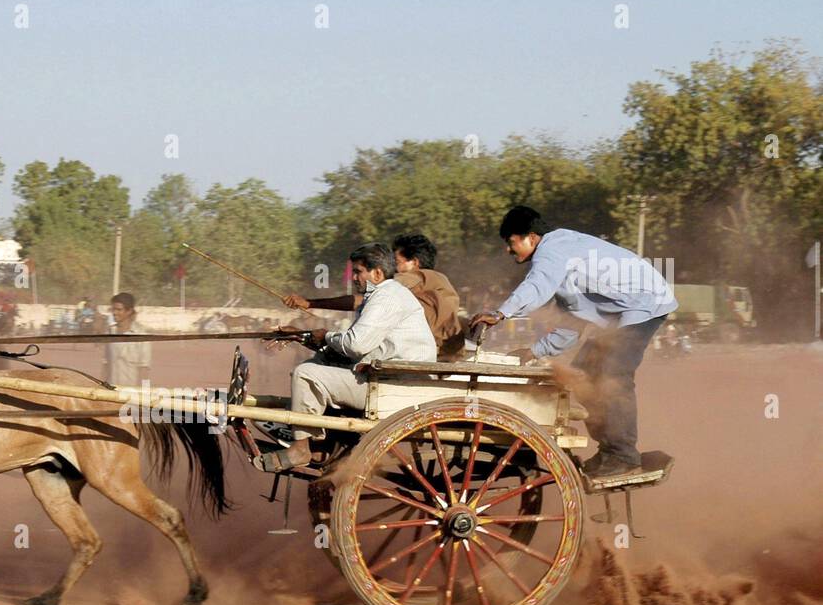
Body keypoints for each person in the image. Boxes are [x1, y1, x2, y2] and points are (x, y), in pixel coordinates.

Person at [469, 205, 677, 479]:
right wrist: (534, 351)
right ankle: (610, 451)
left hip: (646, 302)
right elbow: (572, 323)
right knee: (582, 374)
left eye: (511, 242)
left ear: (531, 237)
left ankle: (623, 455)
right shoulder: (562, 260)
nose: (509, 250)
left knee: (613, 373)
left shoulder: (552, 251)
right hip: (624, 311)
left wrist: (500, 313)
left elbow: (537, 286)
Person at [261, 243, 436, 471]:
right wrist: (306, 337)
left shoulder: (387, 297)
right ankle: (319, 438)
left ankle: (301, 448)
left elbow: (355, 343)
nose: (353, 277)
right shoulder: (383, 296)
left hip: (394, 387)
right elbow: (357, 345)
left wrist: (325, 336)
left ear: (377, 273)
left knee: (306, 374)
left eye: (358, 272)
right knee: (321, 363)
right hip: (388, 378)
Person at [282, 233, 464, 358]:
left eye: (396, 262)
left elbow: (365, 298)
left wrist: (309, 303)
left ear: (414, 263)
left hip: (418, 358)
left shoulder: (416, 278)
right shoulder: (436, 282)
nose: (391, 267)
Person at [103, 292, 152, 386]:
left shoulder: (141, 335)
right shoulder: (110, 332)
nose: (114, 313)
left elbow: (144, 370)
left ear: (129, 311)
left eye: (118, 309)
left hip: (132, 393)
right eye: (113, 309)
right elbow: (105, 364)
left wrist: (145, 394)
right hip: (111, 393)